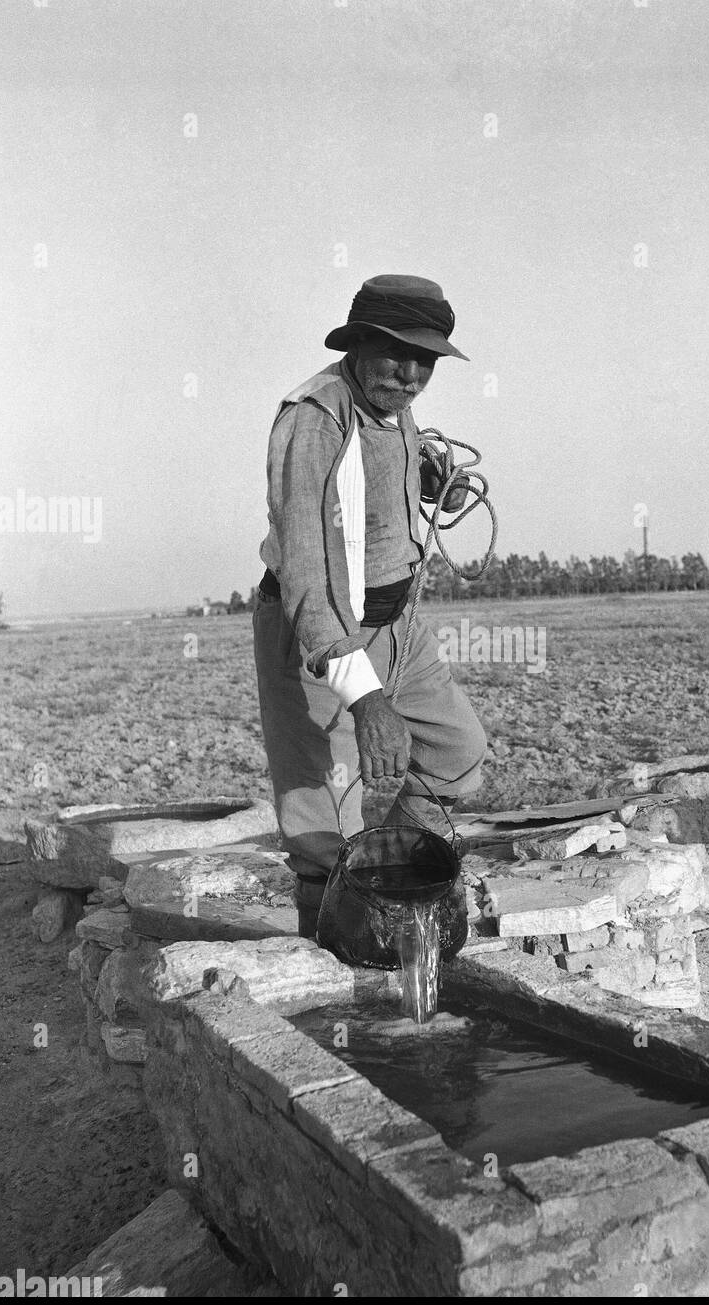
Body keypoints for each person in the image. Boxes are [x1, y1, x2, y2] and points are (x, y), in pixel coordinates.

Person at [253, 274, 487, 938]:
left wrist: (425, 481)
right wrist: (365, 697)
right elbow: (308, 567)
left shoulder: (394, 407)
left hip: (399, 623)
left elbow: (374, 494)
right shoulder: (316, 418)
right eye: (396, 353)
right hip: (321, 632)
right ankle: (330, 962)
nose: (411, 374)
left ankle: (401, 878)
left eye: (427, 361)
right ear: (359, 343)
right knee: (320, 815)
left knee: (456, 753)